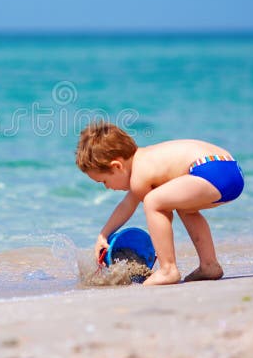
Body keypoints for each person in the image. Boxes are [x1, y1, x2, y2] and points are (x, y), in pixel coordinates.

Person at [75, 121, 244, 286]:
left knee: (153, 201)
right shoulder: (146, 159)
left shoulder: (139, 176)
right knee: (185, 208)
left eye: (104, 181)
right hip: (229, 169)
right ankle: (209, 265)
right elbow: (127, 205)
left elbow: (154, 211)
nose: (107, 187)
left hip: (210, 170)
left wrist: (106, 235)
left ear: (117, 166)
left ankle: (168, 269)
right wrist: (103, 235)